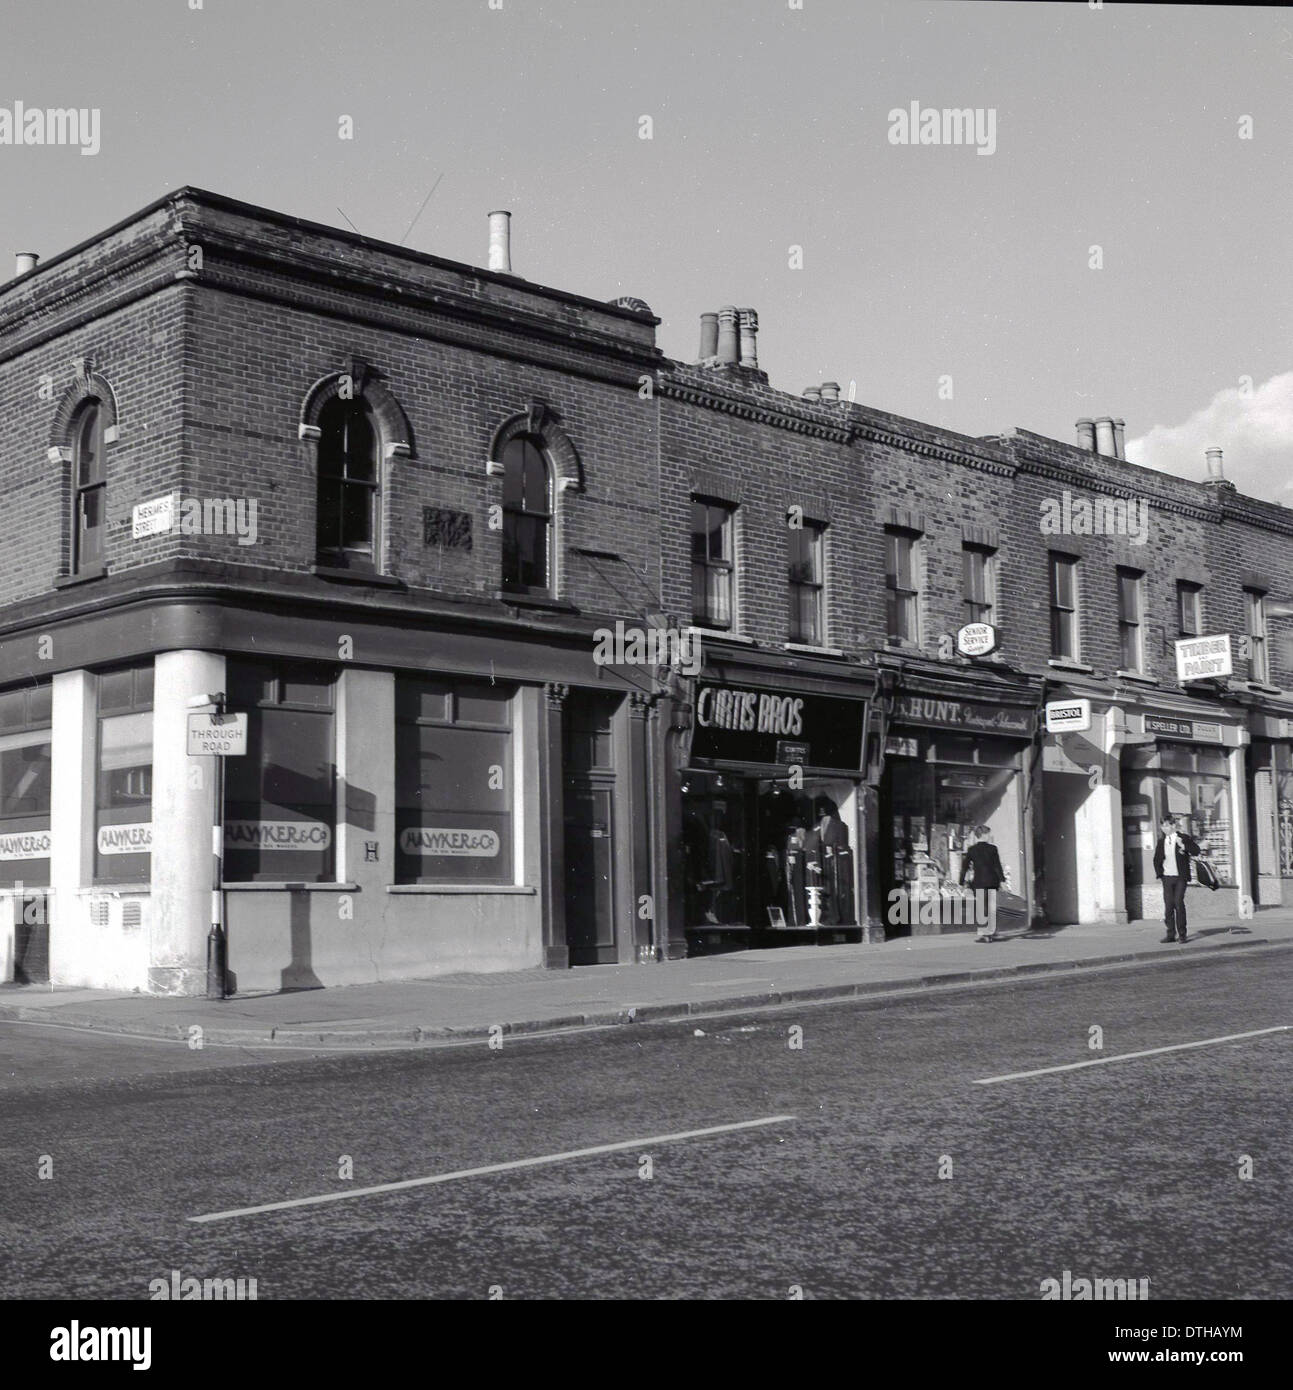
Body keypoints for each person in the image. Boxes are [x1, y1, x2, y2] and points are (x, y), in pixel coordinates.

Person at [1152, 813, 1201, 942]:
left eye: (1166, 826)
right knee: (1168, 906)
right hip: (1167, 878)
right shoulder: (1161, 842)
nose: (1164, 829)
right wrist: (1160, 875)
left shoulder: (1183, 838)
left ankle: (1182, 934)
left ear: (1173, 825)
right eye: (1162, 826)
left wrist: (1184, 846)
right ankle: (1170, 934)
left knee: (1178, 903)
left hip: (1180, 877)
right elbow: (1157, 859)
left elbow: (1196, 850)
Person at [960, 823, 1005, 942]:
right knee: (991, 907)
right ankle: (991, 931)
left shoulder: (972, 850)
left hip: (979, 882)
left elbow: (964, 867)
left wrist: (961, 882)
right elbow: (997, 866)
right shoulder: (993, 849)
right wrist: (1002, 880)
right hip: (992, 882)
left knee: (981, 908)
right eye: (988, 834)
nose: (990, 836)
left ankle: (985, 934)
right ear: (984, 835)